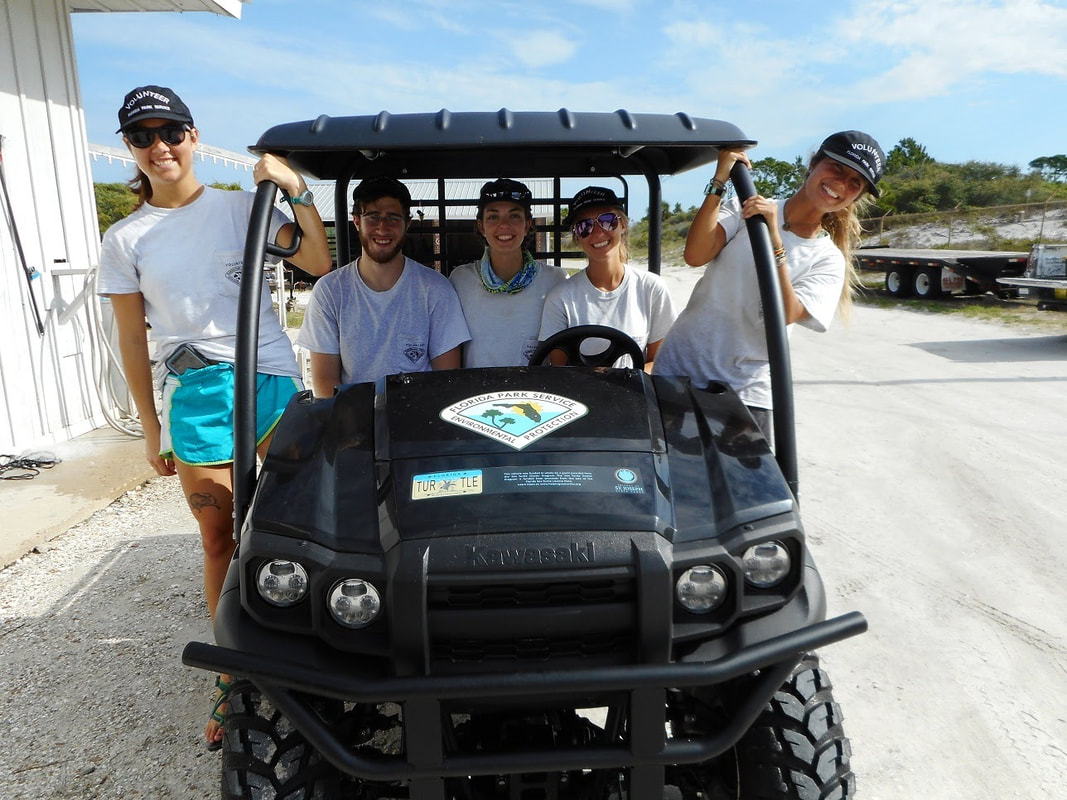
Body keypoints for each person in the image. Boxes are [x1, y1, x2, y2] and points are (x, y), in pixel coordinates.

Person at [96, 85, 333, 750]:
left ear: (193, 136)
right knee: (217, 538)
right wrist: (151, 426)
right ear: (129, 148)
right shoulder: (126, 238)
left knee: (296, 528)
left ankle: (313, 653)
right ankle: (234, 674)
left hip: (269, 382)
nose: (159, 146)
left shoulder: (241, 210)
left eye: (170, 131)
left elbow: (316, 261)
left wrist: (296, 191)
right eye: (142, 136)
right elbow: (134, 341)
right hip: (195, 394)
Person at [653, 131, 884, 439]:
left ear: (857, 195)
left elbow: (786, 313)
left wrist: (775, 242)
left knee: (738, 487)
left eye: (856, 182)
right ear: (813, 164)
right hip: (677, 368)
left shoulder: (827, 258)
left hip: (745, 391)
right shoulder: (746, 207)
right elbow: (695, 255)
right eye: (837, 168)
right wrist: (720, 181)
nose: (841, 184)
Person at [297, 176, 470, 396]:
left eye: (393, 218)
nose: (382, 228)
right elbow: (325, 383)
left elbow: (446, 380)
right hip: (353, 421)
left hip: (418, 420)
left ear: (407, 223)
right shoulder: (330, 291)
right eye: (373, 217)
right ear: (357, 221)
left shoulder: (436, 290)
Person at [538, 186, 676, 370]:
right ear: (577, 237)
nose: (597, 232)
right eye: (584, 226)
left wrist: (623, 381)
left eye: (607, 220)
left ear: (623, 225)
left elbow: (658, 360)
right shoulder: (561, 298)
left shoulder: (651, 288)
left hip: (633, 392)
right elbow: (559, 368)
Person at [449, 179, 568, 366]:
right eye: (493, 217)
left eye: (514, 216)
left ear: (527, 225)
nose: (504, 225)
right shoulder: (460, 280)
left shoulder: (555, 280)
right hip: (478, 393)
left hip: (535, 393)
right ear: (482, 227)